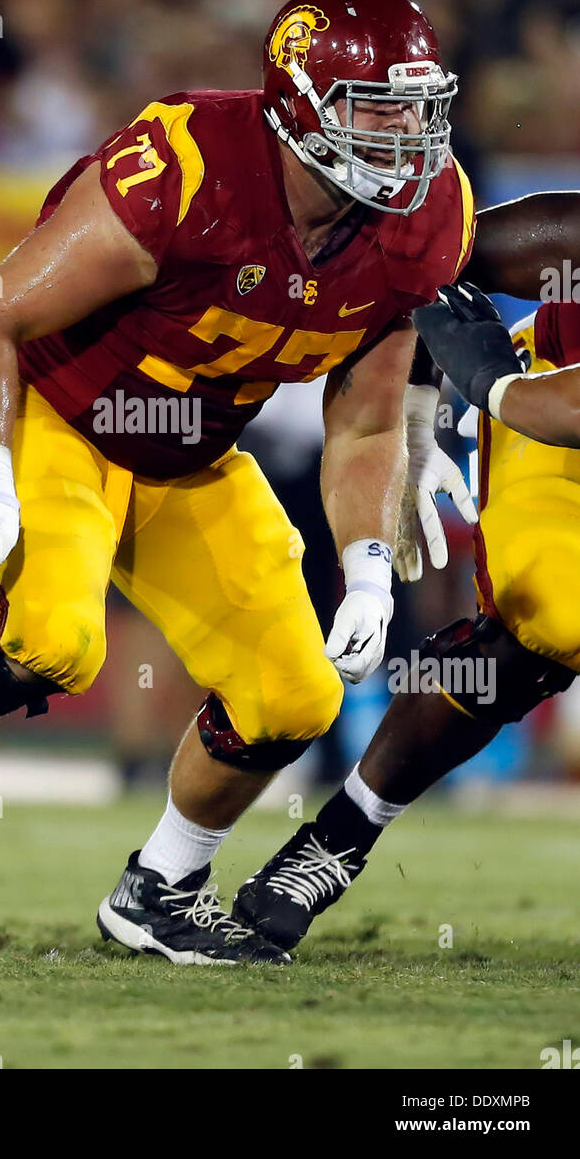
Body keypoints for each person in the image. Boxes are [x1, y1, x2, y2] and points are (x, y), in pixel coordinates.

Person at [0, 0, 475, 962]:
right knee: (49, 638)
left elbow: (365, 419)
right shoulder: (184, 169)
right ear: (301, 105)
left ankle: (161, 887)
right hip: (56, 407)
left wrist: (363, 567)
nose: (405, 137)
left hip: (189, 451)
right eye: (376, 109)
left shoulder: (425, 218)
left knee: (293, 694)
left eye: (416, 109)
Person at [230, 276, 580, 950]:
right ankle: (335, 841)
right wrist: (422, 411)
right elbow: (448, 259)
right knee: (551, 620)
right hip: (551, 399)